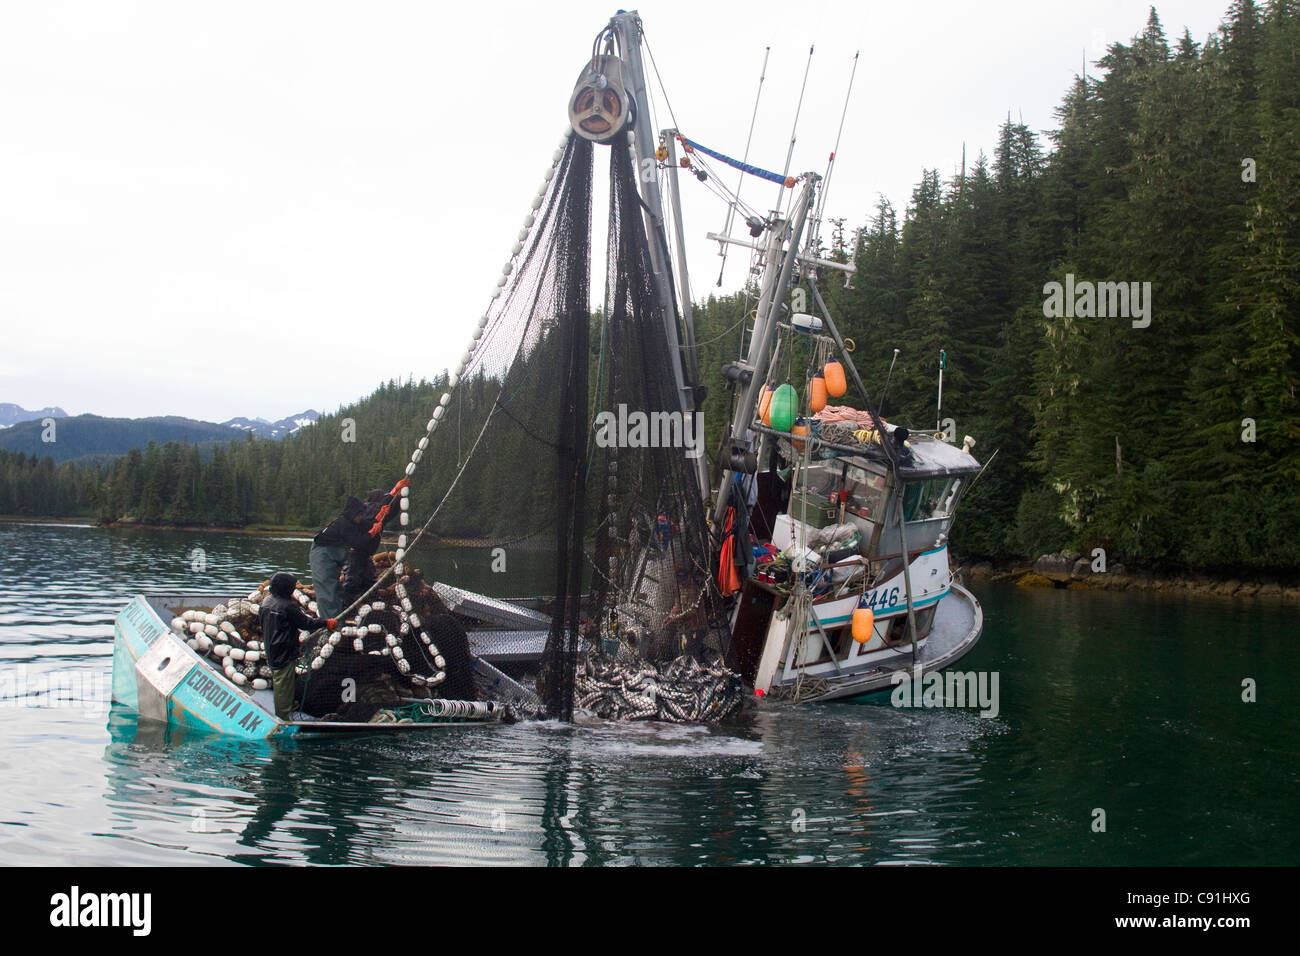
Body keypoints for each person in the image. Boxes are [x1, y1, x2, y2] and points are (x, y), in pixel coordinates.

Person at [259, 571, 335, 721]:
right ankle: (282, 716)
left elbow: (276, 626)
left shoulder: (266, 602)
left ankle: (287, 705)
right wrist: (326, 623)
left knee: (281, 679)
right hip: (283, 652)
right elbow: (306, 623)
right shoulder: (287, 606)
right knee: (283, 683)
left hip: (271, 646)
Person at [308, 496, 375, 619]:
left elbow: (371, 520)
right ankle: (329, 621)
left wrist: (381, 516)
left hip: (334, 554)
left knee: (336, 588)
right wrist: (372, 533)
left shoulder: (353, 523)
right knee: (326, 589)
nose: (361, 517)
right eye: (360, 514)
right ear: (353, 513)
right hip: (321, 554)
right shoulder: (343, 524)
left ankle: (339, 616)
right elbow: (358, 542)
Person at [340, 482, 405, 608]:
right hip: (355, 554)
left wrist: (398, 497)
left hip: (363, 554)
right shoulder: (369, 509)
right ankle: (345, 611)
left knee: (368, 581)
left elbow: (389, 511)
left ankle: (367, 607)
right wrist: (396, 495)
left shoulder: (372, 510)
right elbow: (386, 509)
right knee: (353, 582)